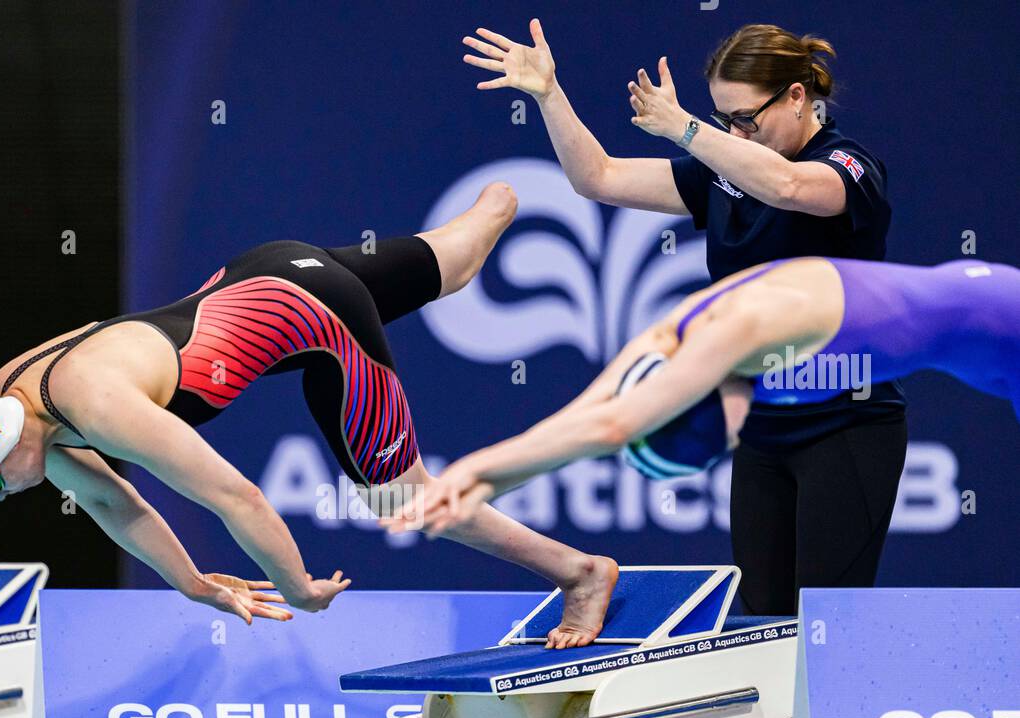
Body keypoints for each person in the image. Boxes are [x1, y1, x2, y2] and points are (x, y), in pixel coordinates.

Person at [0, 185, 618, 647]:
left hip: (316, 320)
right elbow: (112, 499)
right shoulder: (10, 396)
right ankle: (501, 200)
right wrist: (194, 583)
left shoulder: (100, 406)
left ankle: (577, 571)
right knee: (457, 268)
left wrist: (298, 587)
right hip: (272, 270)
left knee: (401, 496)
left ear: (0, 447)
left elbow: (235, 495)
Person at [462, 20, 904, 614]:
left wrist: (686, 128)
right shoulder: (728, 170)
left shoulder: (850, 165)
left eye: (748, 118)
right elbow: (598, 177)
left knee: (827, 622)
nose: (737, 133)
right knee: (767, 622)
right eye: (726, 119)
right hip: (763, 426)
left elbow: (791, 187)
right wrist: (549, 95)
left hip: (846, 425)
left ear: (798, 96)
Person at [399, 256, 1020, 536]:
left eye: (727, 436)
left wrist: (474, 465)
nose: (741, 430)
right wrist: (482, 488)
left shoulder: (744, 329)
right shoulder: (668, 341)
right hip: (978, 355)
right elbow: (587, 416)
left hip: (1005, 322)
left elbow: (613, 430)